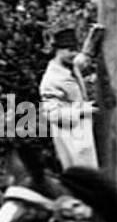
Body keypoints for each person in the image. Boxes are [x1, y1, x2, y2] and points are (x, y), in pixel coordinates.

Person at [39, 26, 99, 170]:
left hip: (82, 131)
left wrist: (92, 40)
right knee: (80, 175)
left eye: (75, 49)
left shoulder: (69, 67)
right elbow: (51, 113)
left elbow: (82, 60)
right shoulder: (51, 79)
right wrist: (83, 110)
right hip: (69, 136)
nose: (74, 54)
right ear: (58, 50)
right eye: (70, 50)